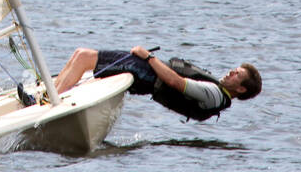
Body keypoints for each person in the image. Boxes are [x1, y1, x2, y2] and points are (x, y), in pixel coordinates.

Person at [53, 44, 261, 122]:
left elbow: (175, 82)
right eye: (235, 69)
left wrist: (148, 57)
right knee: (80, 53)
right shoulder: (218, 90)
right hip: (149, 72)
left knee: (84, 58)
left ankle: (51, 104)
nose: (231, 71)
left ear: (241, 89)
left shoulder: (214, 95)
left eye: (237, 74)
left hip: (148, 76)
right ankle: (51, 95)